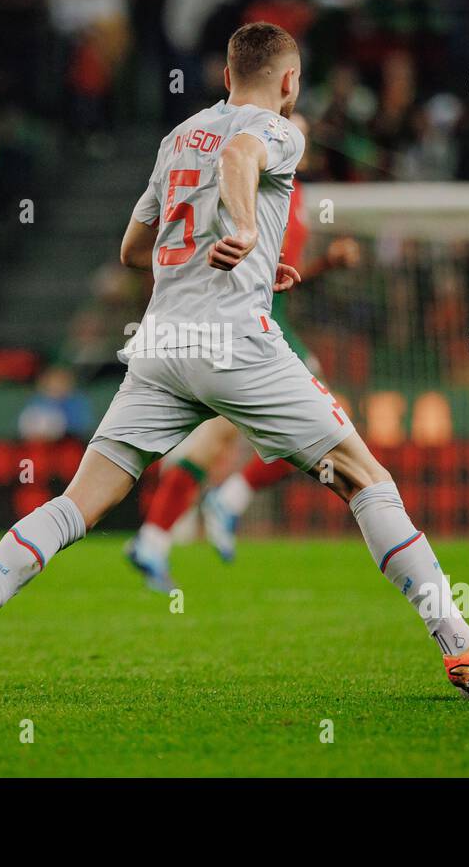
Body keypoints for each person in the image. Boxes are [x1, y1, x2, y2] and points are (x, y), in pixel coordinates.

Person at [0, 22, 469, 700]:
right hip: (233, 341)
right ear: (288, 81)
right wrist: (241, 229)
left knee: (76, 505)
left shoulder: (176, 137)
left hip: (161, 344)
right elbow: (240, 156)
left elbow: (130, 251)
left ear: (226, 74)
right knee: (363, 477)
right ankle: (461, 644)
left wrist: (256, 263)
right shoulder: (279, 129)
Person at [125, 113, 361, 590]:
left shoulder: (295, 194)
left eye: (303, 136)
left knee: (217, 436)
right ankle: (228, 499)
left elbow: (279, 274)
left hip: (260, 315)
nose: (296, 142)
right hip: (246, 321)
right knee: (330, 420)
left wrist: (320, 266)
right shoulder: (249, 182)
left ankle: (154, 538)